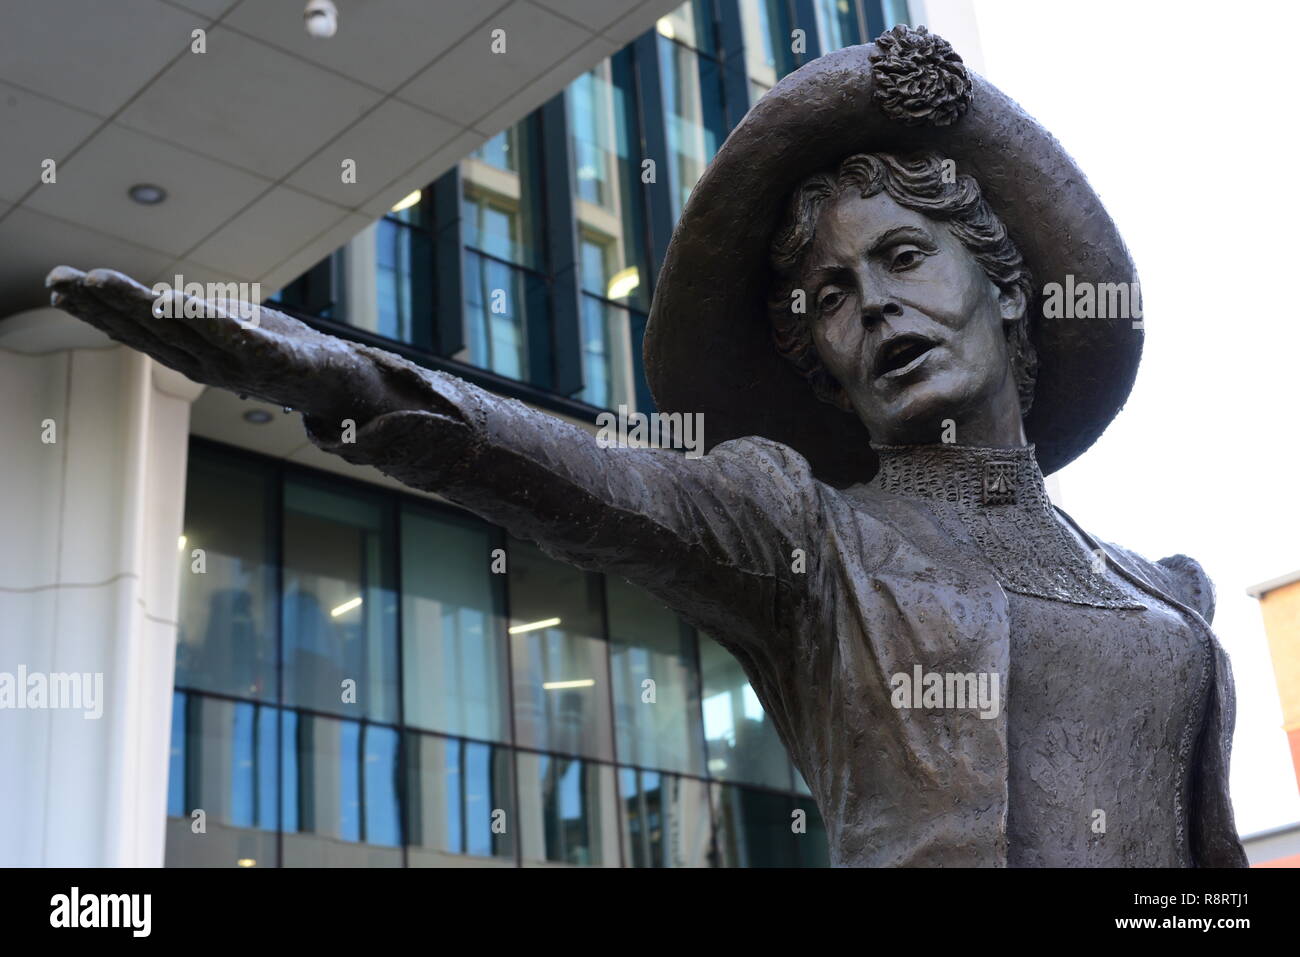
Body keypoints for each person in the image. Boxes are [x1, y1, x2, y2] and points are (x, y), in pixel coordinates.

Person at [46, 25, 1246, 867]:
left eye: (903, 257)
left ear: (1006, 289)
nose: (873, 306)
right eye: (830, 296)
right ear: (819, 362)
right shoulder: (808, 538)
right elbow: (575, 476)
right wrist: (341, 378)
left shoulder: (1165, 595)